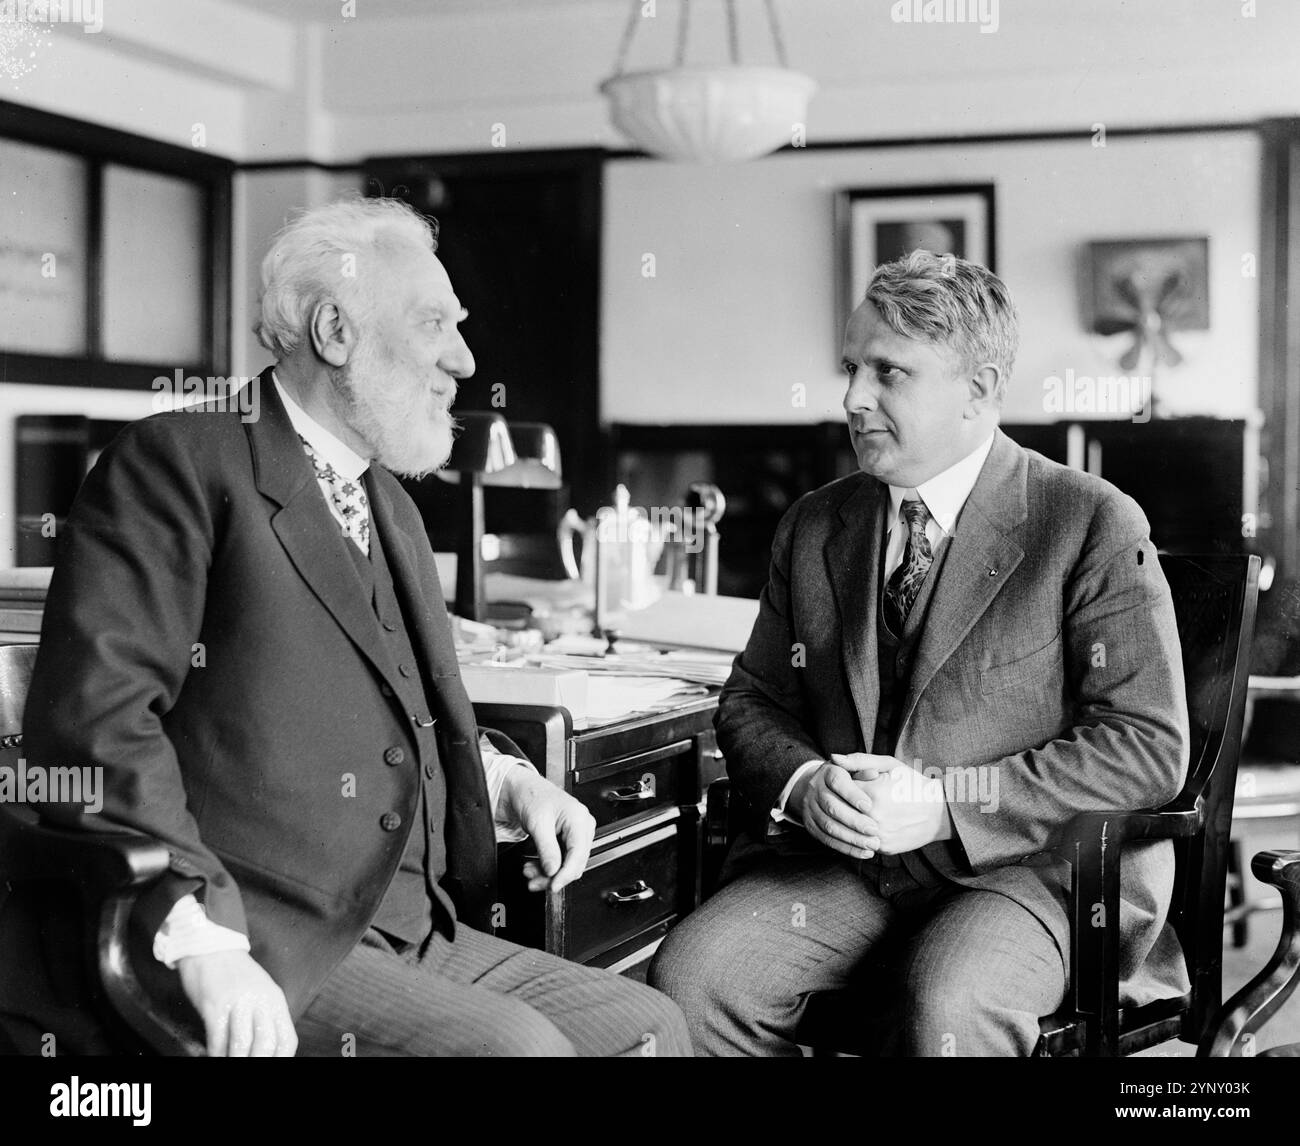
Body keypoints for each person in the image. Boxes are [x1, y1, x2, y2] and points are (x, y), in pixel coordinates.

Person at [19, 196, 690, 1058]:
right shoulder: (178, 464)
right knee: (519, 1051)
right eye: (434, 324)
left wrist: (502, 780)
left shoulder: (391, 504)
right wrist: (202, 936)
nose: (464, 357)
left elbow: (379, 700)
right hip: (254, 933)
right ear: (334, 331)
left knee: (650, 1023)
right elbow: (94, 724)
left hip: (409, 927)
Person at [648, 249, 1190, 1056]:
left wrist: (942, 804)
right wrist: (804, 785)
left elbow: (1148, 748)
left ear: (979, 389)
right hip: (851, 870)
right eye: (850, 368)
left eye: (889, 373)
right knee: (697, 978)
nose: (852, 398)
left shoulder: (1088, 522)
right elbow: (753, 699)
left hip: (1034, 871)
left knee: (948, 1001)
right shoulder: (815, 525)